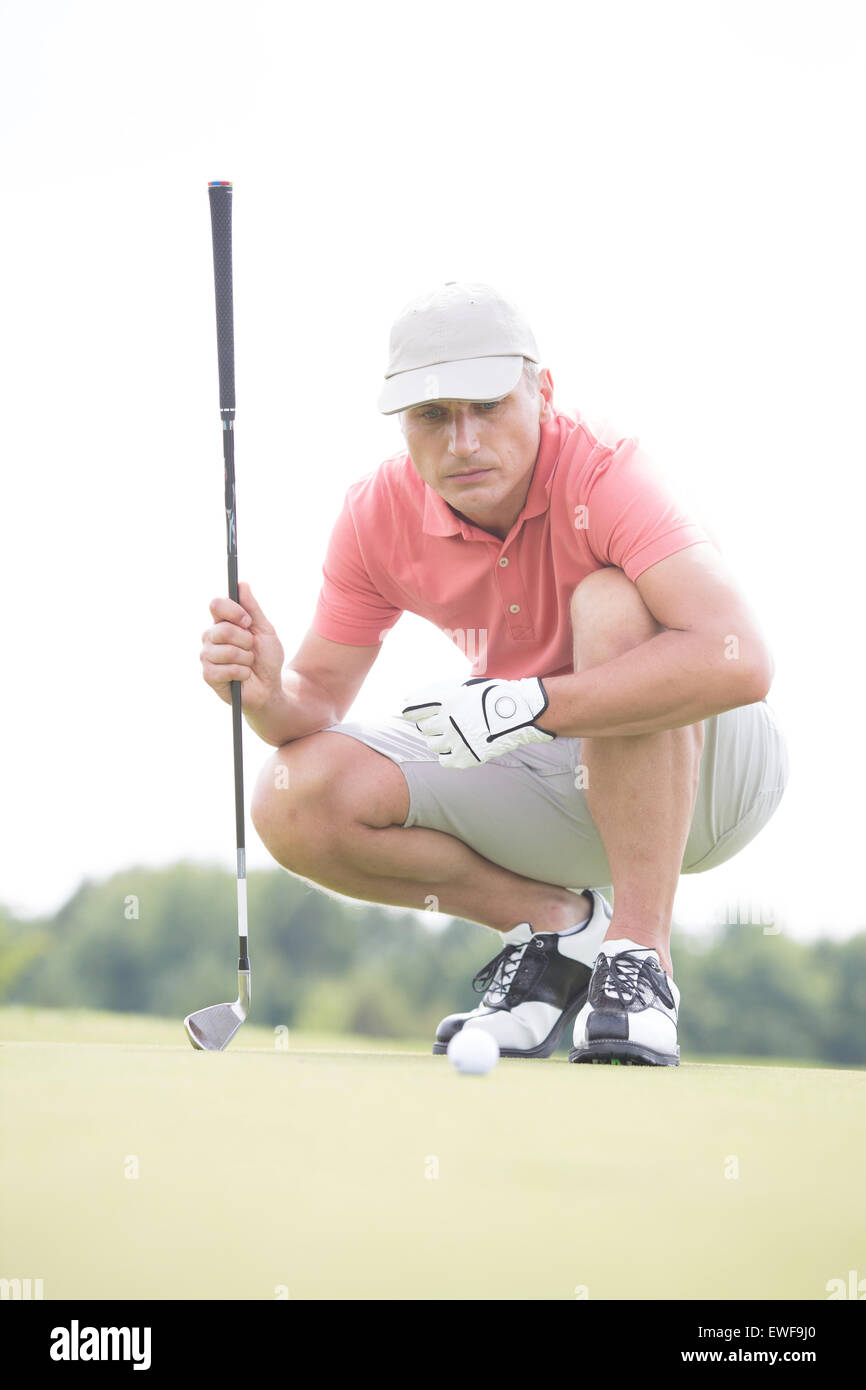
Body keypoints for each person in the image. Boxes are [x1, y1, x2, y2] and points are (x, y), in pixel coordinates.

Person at [200, 281, 789, 1067]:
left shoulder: (606, 473)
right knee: (292, 792)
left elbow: (740, 658)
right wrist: (268, 693)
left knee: (612, 603)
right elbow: (313, 707)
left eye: (487, 406)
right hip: (560, 776)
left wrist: (531, 703)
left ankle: (639, 956)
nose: (463, 442)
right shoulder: (378, 515)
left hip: (721, 776)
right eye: (432, 417)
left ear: (543, 392)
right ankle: (558, 929)